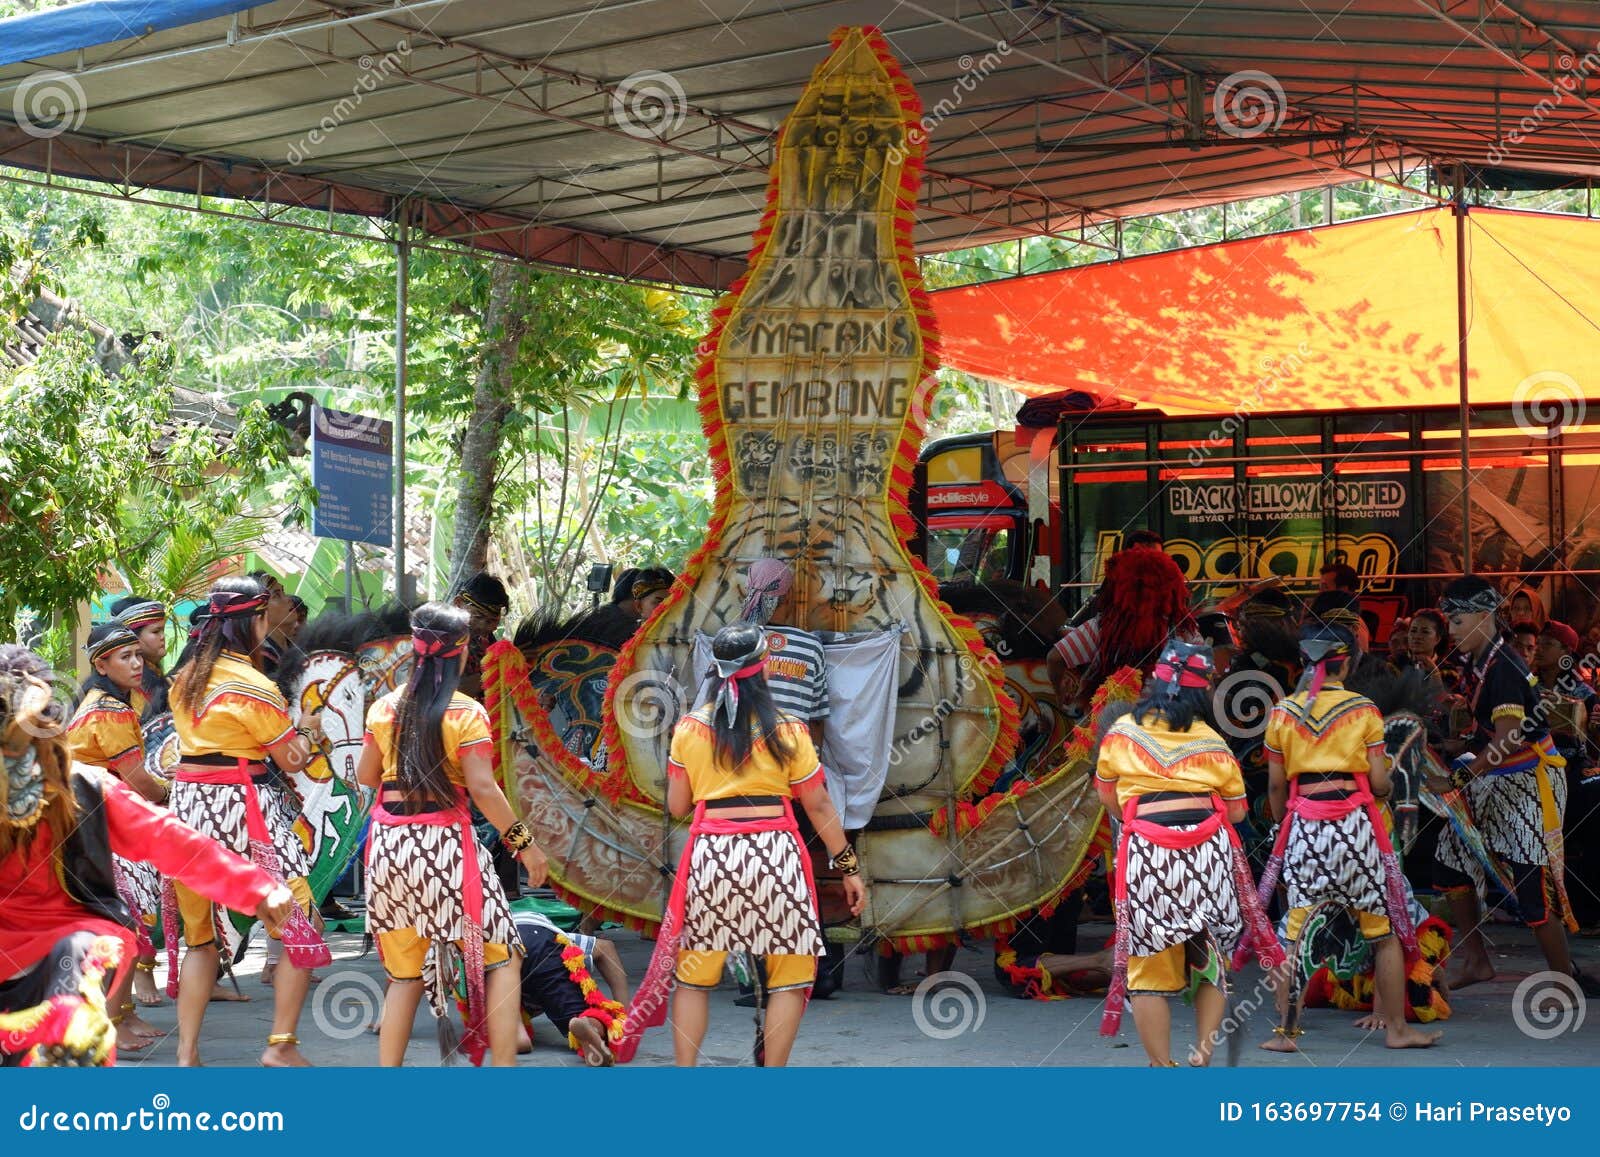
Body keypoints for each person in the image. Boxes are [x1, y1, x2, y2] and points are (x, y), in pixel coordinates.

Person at [0, 645, 293, 1067]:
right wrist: (259, 889)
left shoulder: (84, 789)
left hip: (69, 963)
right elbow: (167, 838)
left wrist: (257, 888)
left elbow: (166, 839)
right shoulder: (86, 779)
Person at [621, 622, 866, 1067]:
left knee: (694, 979)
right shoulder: (791, 730)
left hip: (713, 857)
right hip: (776, 855)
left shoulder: (689, 729)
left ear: (715, 670)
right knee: (789, 978)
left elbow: (677, 805)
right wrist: (848, 866)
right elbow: (818, 804)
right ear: (764, 669)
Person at [356, 602, 548, 1067]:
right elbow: (483, 788)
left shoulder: (383, 708)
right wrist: (526, 846)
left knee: (404, 977)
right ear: (461, 653)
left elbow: (366, 775)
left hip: (389, 848)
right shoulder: (467, 713)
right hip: (445, 846)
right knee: (501, 957)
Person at [1094, 638, 1282, 1067]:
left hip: (1147, 850)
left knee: (1148, 966)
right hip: (1207, 852)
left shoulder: (1121, 733)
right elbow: (1236, 812)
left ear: (1153, 685)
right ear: (1202, 693)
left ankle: (1163, 1067)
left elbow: (1109, 798)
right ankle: (1203, 1050)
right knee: (1209, 948)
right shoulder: (1212, 741)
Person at [167, 577, 330, 1067]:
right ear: (252, 621)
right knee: (299, 926)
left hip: (190, 809)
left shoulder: (186, 678)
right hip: (243, 809)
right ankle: (280, 1046)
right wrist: (307, 729)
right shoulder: (252, 686)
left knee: (201, 941)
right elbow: (294, 759)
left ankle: (185, 1051)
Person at [1257, 623, 1440, 1052]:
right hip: (1358, 831)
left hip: (1306, 829)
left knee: (1294, 934)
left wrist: (1293, 821)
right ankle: (1396, 1030)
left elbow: (1276, 788)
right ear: (1346, 664)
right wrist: (1387, 789)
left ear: (1306, 663)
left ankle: (1287, 1032)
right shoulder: (1364, 711)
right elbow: (1378, 783)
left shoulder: (1283, 713)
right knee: (1383, 933)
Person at [1432, 576, 1600, 994]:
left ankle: (1564, 981)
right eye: (1448, 619)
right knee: (1450, 863)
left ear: (1484, 616)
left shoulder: (1503, 666)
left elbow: (1507, 739)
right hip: (1498, 777)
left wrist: (1459, 775)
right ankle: (1476, 961)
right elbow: (1492, 733)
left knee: (1531, 885)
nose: (1450, 628)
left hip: (1527, 780)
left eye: (1457, 619)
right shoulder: (1481, 661)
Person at [66, 624, 171, 1046]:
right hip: (101, 826)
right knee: (125, 922)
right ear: (101, 664)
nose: (136, 663)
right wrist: (171, 793)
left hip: (95, 822)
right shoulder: (110, 710)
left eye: (137, 655)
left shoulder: (101, 702)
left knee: (126, 920)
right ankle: (110, 1022)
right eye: (124, 657)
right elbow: (136, 780)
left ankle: (121, 1015)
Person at [1533, 621, 1600, 932]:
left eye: (1548, 644)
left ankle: (1584, 910)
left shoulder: (1584, 693)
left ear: (1566, 655)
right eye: (1539, 643)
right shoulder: (1525, 685)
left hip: (1569, 772)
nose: (1539, 649)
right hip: (1530, 770)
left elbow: (1592, 745)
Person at [512, 911, 630, 1066]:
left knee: (515, 1032)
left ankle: (518, 1033)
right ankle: (589, 1025)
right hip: (539, 940)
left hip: (503, 947)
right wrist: (625, 1016)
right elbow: (606, 948)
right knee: (579, 1017)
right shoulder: (554, 938)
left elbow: (605, 948)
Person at [453, 571, 510, 702]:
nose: (491, 628)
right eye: (479, 617)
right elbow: (447, 693)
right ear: (458, 603)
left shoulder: (485, 639)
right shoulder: (439, 638)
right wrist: (498, 671)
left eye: (494, 621)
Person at [110, 595, 170, 715]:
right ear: (133, 637)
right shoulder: (130, 682)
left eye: (163, 630)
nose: (163, 637)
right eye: (156, 631)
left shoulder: (152, 675)